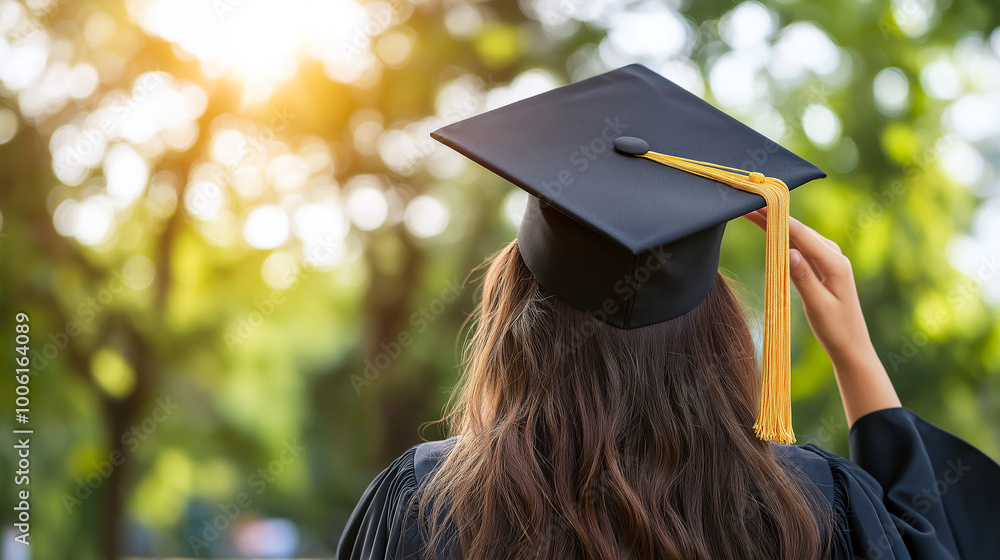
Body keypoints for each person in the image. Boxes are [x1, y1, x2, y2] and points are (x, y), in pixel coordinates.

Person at [335, 65, 1000, 560]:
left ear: (515, 305)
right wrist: (855, 356)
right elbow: (943, 541)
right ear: (717, 320)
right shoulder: (814, 506)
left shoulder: (424, 504)